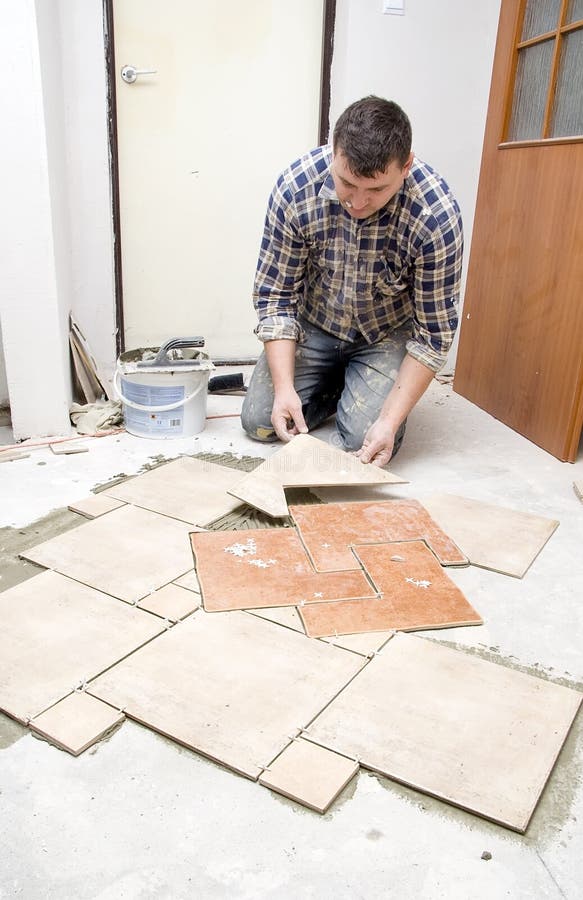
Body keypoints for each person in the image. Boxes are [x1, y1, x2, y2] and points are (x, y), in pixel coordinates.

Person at [241, 96, 463, 466]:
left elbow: (433, 337)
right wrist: (283, 389)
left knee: (365, 438)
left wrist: (389, 420)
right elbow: (276, 298)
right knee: (261, 421)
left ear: (406, 165)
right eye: (347, 183)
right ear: (334, 152)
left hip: (385, 335)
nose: (358, 202)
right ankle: (336, 383)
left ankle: (365, 386)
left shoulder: (435, 218)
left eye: (376, 190)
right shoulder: (296, 189)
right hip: (314, 325)